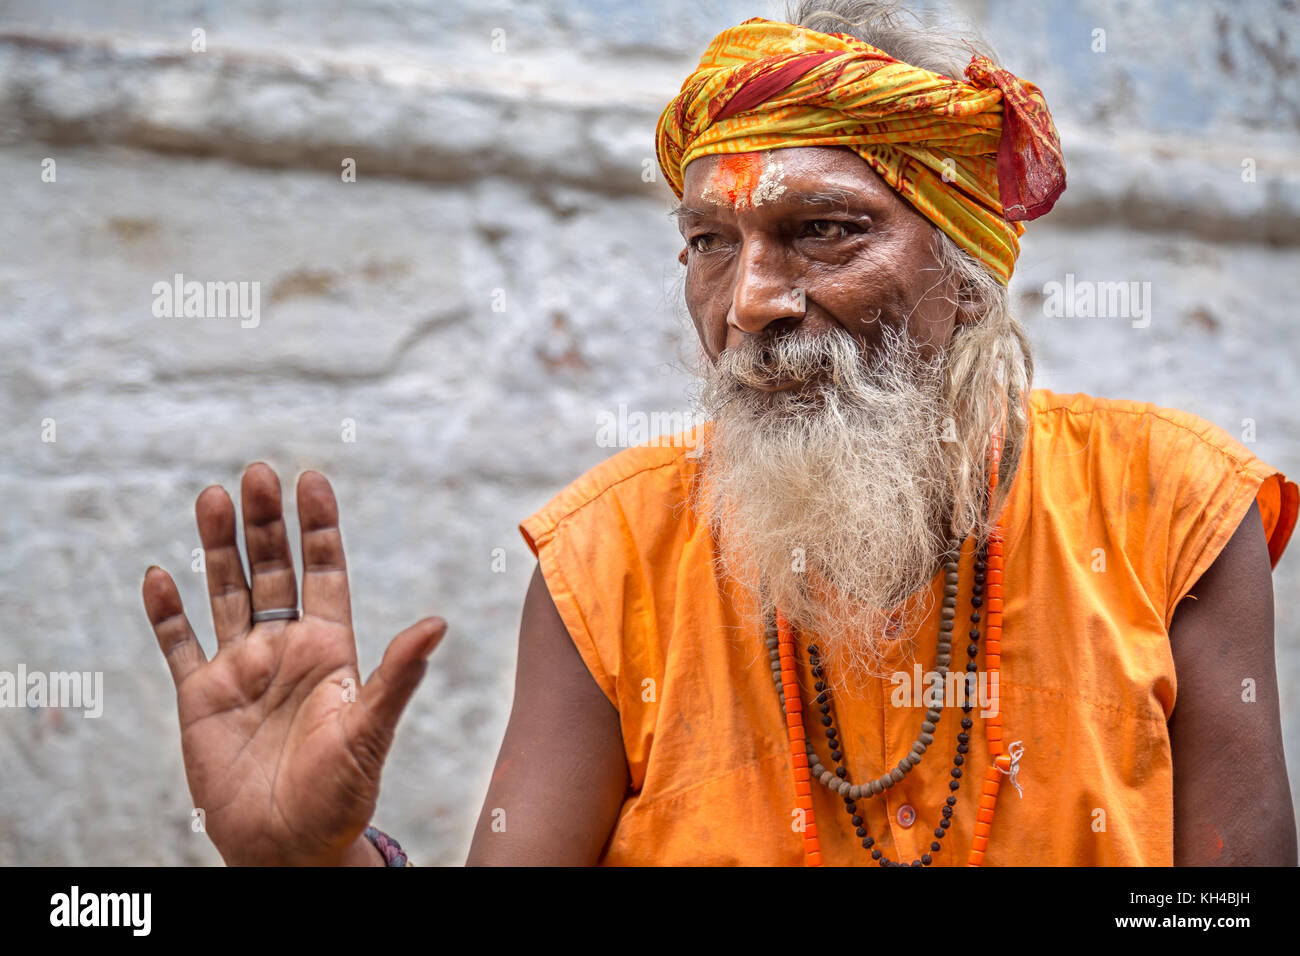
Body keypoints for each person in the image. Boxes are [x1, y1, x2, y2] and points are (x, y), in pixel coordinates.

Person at [142, 0, 1298, 866]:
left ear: (967, 268)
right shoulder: (611, 557)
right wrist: (320, 861)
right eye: (707, 242)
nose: (749, 301)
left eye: (824, 230)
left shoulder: (1174, 513)